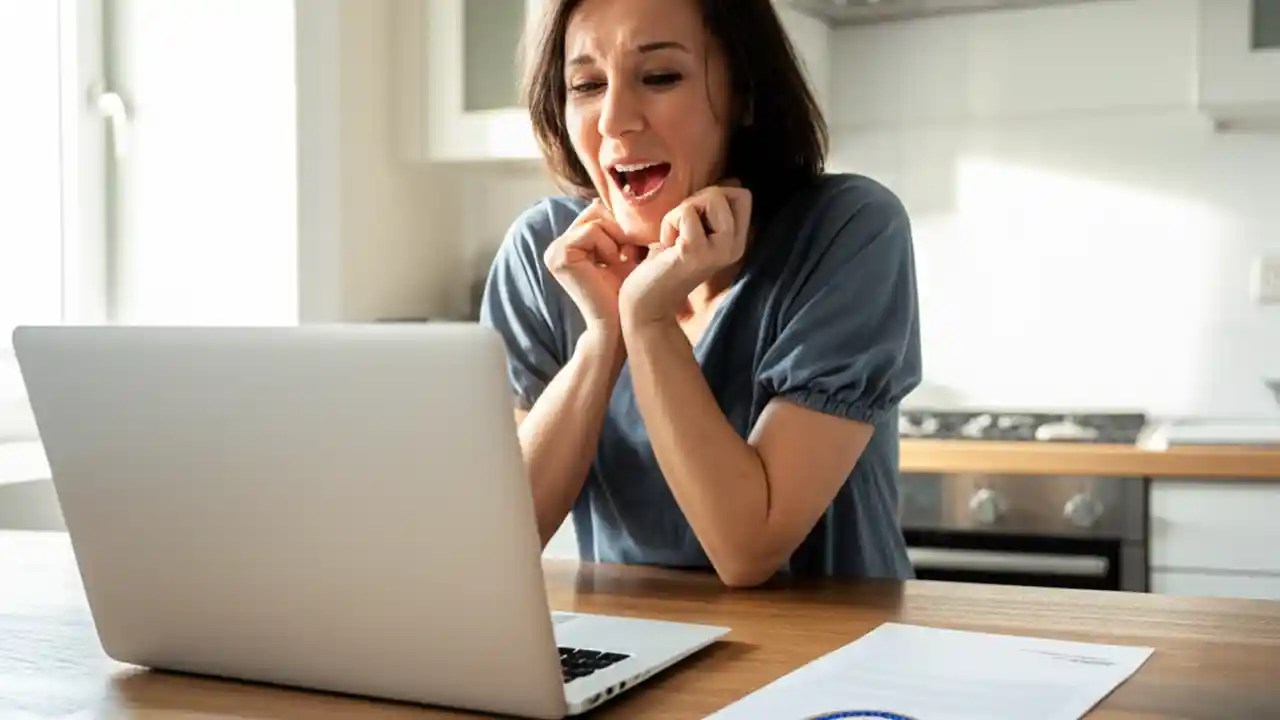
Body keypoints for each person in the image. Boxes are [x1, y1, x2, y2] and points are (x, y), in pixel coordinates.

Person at [480, 0, 922, 587]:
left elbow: (748, 549)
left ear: (744, 93)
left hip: (838, 662)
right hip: (634, 656)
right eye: (587, 84)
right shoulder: (546, 253)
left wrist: (648, 319)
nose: (614, 119)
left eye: (660, 77)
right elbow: (499, 539)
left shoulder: (849, 230)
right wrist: (603, 339)